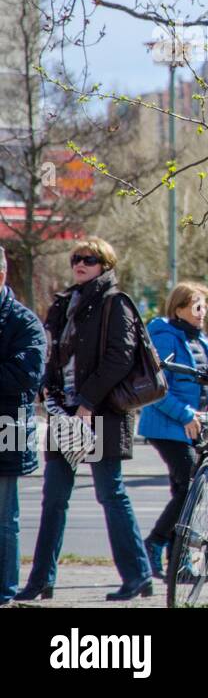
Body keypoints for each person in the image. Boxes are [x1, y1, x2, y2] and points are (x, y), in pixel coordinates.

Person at [16, 237, 153, 602]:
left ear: (105, 264)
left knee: (110, 493)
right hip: (65, 412)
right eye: (76, 258)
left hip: (101, 412)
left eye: (89, 259)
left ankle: (138, 574)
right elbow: (50, 354)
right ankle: (42, 579)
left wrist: (89, 403)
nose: (80, 264)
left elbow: (120, 357)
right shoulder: (63, 304)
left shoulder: (115, 302)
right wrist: (49, 392)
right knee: (53, 497)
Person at [138, 281, 208, 580]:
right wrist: (185, 414)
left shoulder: (200, 340)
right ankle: (155, 542)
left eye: (204, 307)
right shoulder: (164, 337)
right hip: (168, 425)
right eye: (197, 306)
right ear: (179, 308)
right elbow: (156, 387)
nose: (202, 312)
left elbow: (204, 383)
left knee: (185, 491)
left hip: (192, 426)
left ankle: (179, 564)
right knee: (188, 488)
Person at [0, 247, 47, 605]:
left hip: (8, 427)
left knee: (4, 516)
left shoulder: (24, 321)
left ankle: (4, 590)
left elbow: (25, 375)